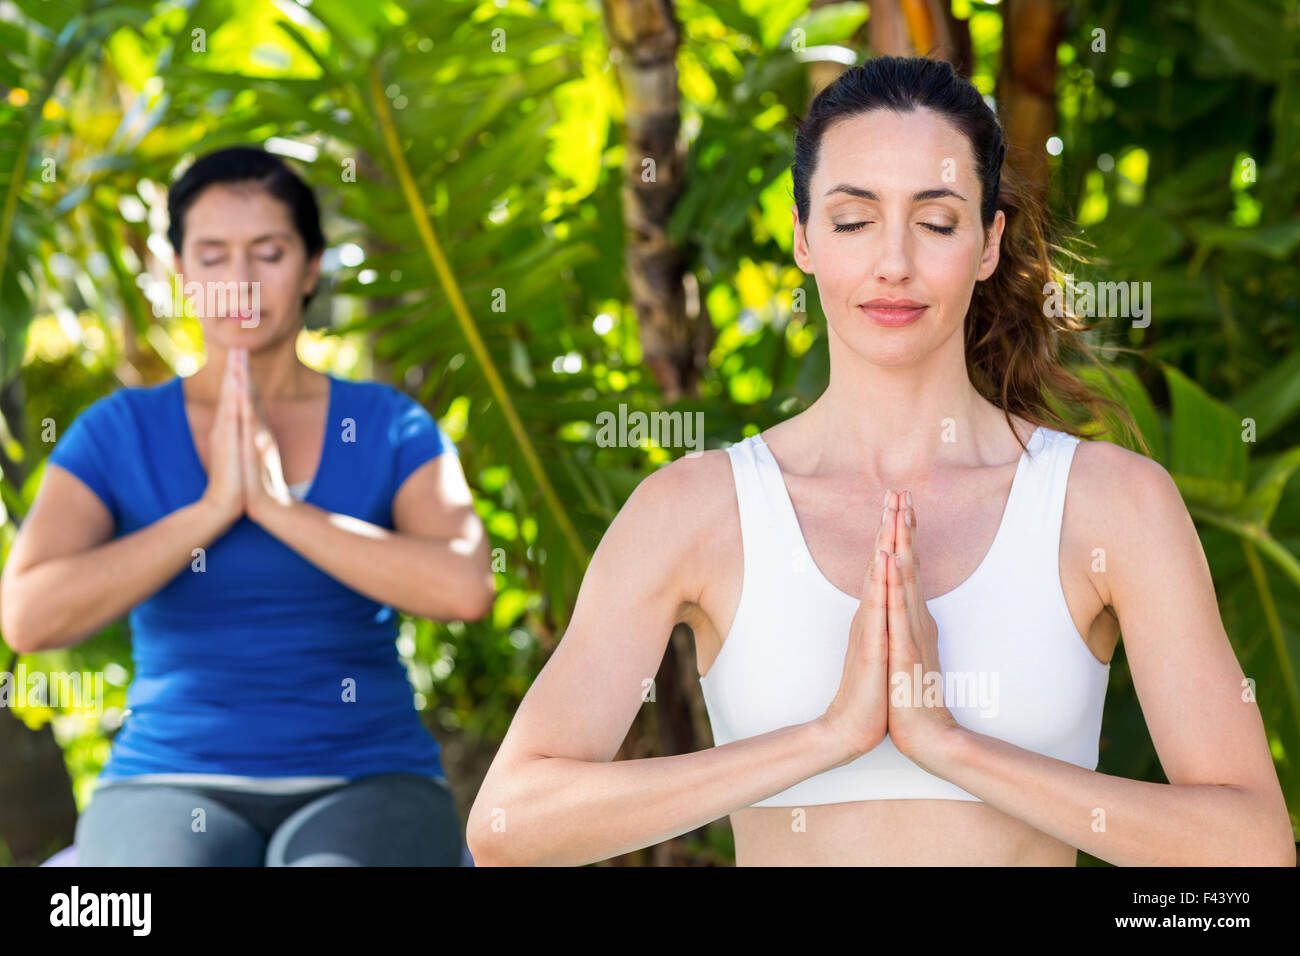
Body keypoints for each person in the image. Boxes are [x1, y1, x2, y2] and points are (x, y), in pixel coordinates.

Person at [466, 57, 1294, 866]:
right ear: (803, 240)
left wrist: (949, 747)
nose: (893, 261)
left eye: (936, 222)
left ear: (987, 243)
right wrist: (827, 738)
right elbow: (510, 822)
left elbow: (1251, 847)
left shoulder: (1111, 505)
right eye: (854, 220)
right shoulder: (693, 509)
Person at [1, 145, 496, 865]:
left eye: (268, 252)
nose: (240, 281)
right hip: (167, 780)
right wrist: (208, 512)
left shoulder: (387, 423)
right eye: (211, 256)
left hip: (366, 777)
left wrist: (279, 510)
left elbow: (464, 586)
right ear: (180, 273)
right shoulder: (118, 430)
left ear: (311, 266)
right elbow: (28, 617)